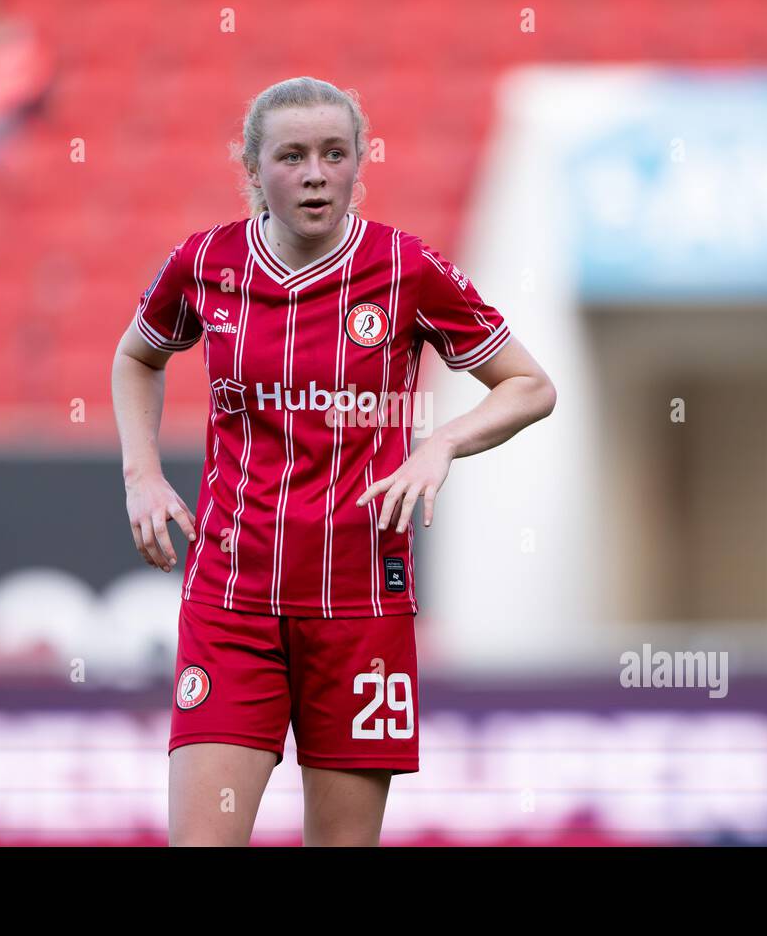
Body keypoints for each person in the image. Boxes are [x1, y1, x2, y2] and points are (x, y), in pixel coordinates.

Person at [111, 76, 556, 846]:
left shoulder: (405, 268)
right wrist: (142, 475)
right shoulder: (206, 263)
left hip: (359, 606)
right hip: (232, 598)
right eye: (291, 155)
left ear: (357, 164)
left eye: (333, 153)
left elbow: (530, 385)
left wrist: (441, 443)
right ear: (252, 170)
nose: (315, 172)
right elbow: (136, 357)